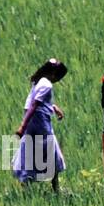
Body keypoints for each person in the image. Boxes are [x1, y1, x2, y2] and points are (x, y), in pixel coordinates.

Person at [14, 58, 68, 192]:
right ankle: (56, 187)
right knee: (51, 150)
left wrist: (54, 108)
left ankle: (27, 185)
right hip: (39, 121)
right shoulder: (47, 84)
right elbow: (35, 104)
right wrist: (22, 126)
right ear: (54, 74)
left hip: (35, 120)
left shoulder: (39, 80)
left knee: (31, 150)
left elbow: (39, 101)